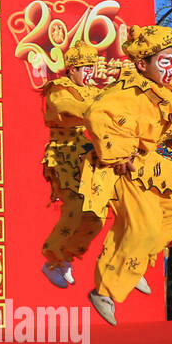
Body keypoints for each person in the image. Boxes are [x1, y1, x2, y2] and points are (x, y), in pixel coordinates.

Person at [79, 25, 172, 325]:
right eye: (165, 60)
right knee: (143, 228)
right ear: (142, 64)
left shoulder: (165, 88)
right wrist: (120, 154)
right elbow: (96, 117)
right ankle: (106, 291)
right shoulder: (125, 91)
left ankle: (131, 265)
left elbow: (153, 129)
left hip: (155, 165)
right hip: (125, 168)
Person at [39, 42, 106, 289]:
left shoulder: (94, 92)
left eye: (91, 67)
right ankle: (52, 255)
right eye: (84, 67)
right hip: (63, 155)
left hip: (87, 155)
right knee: (75, 206)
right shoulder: (59, 88)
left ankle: (64, 258)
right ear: (72, 70)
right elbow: (63, 107)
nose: (89, 73)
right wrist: (96, 110)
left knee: (96, 215)